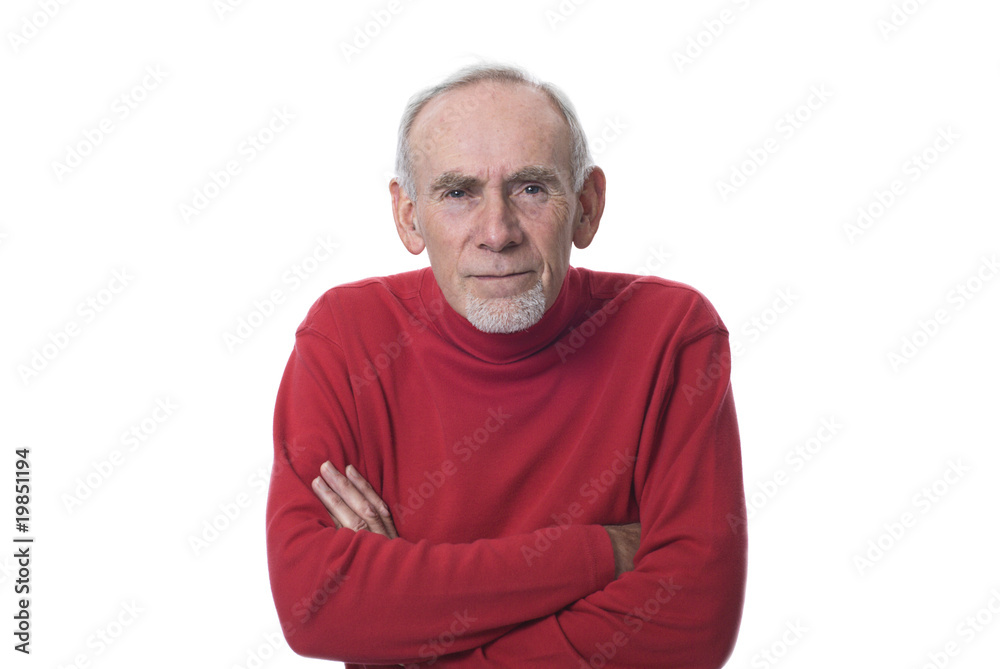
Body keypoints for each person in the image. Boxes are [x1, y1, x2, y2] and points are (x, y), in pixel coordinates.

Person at [266, 63, 747, 668]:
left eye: (532, 188)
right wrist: (603, 552)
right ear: (408, 217)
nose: (497, 232)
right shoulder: (346, 337)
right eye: (458, 192)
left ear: (588, 207)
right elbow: (316, 605)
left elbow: (691, 624)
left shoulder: (672, 335)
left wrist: (409, 627)